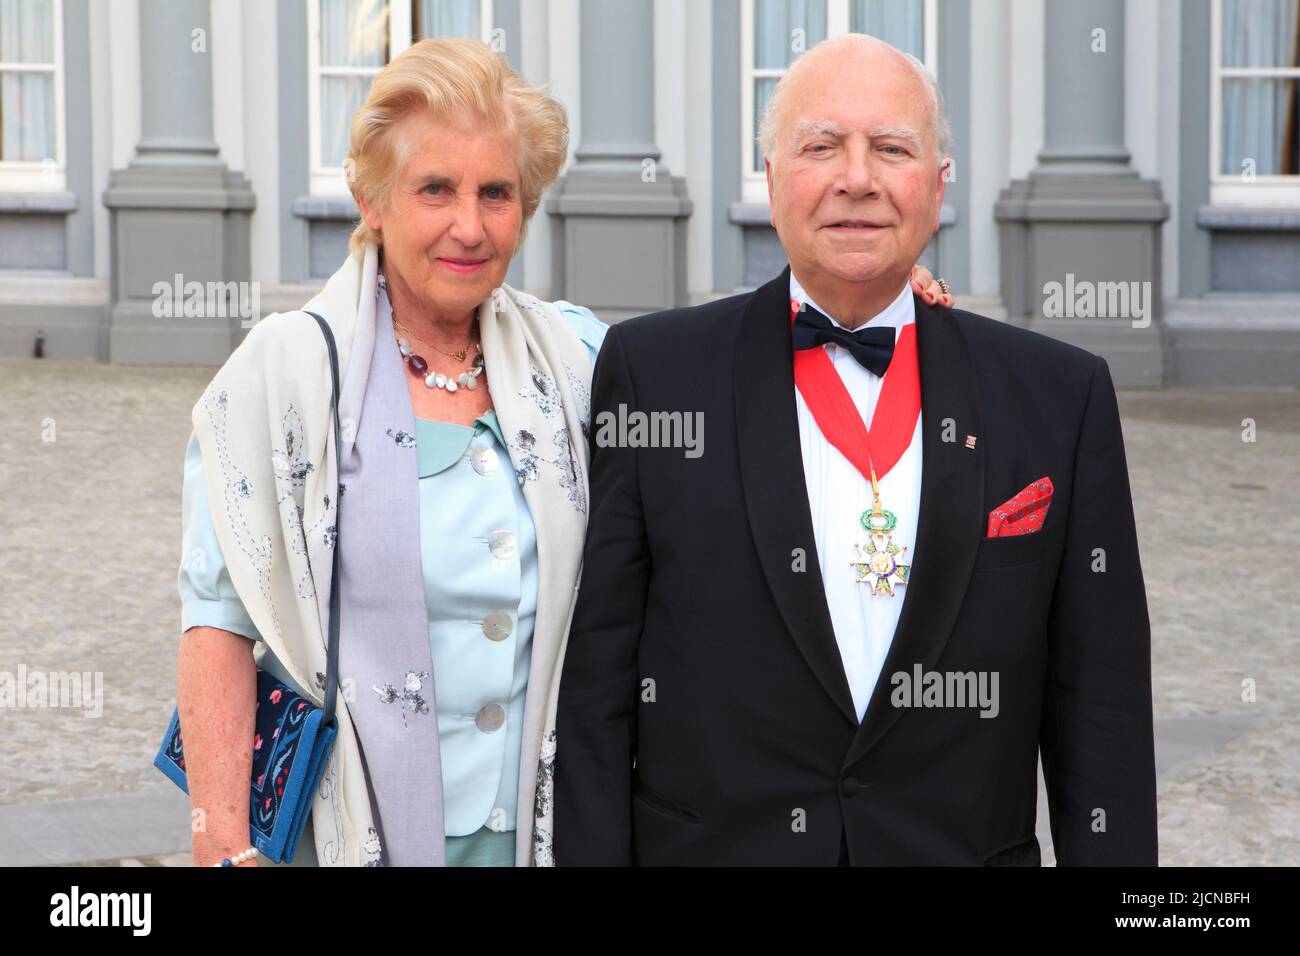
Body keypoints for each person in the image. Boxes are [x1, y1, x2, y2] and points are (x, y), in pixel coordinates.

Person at [554, 34, 1158, 866]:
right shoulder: (653, 374)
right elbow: (597, 690)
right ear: (770, 178)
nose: (857, 178)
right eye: (821, 145)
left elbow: (1103, 709)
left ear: (939, 186)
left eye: (892, 149)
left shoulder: (1060, 396)